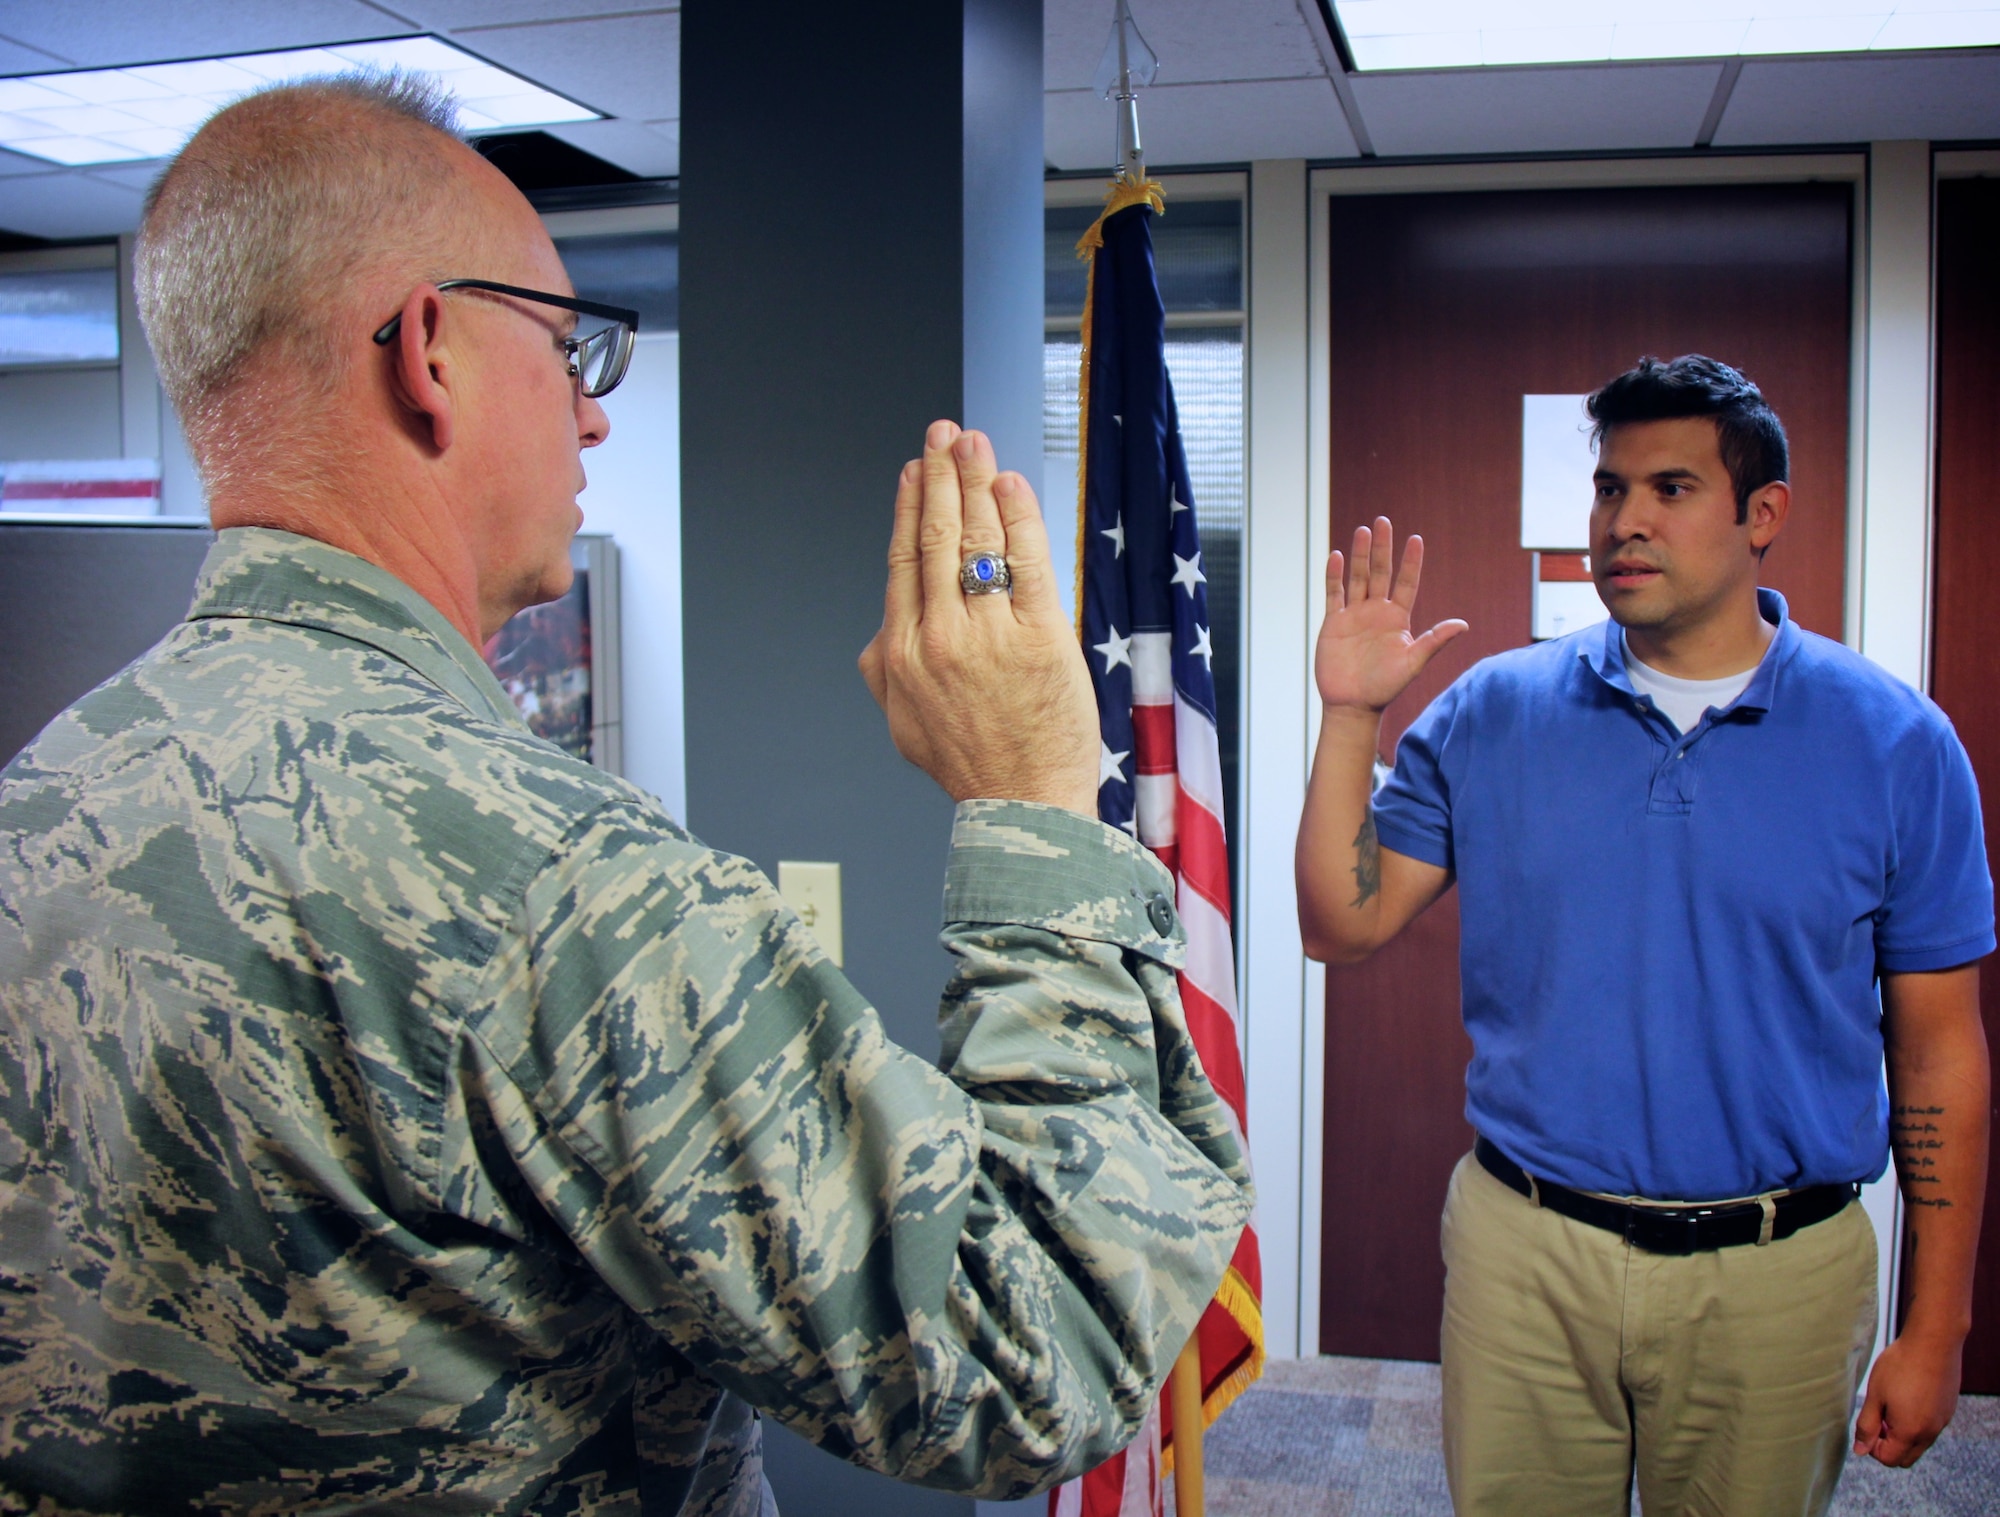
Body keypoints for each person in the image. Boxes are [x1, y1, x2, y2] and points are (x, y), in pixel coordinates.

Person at [0, 74, 1252, 1514]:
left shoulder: (43, 799)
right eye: (566, 346)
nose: (595, 422)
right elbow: (1032, 1352)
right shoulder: (553, 884)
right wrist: (1035, 793)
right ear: (428, 353)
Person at [1296, 354, 1991, 1515]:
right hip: (1528, 1251)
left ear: (1759, 513)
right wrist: (1348, 715)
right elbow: (1338, 923)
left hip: (1777, 1270)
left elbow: (1936, 1054)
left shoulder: (1893, 744)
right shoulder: (1493, 710)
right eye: (1608, 488)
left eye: (1668, 487)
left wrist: (1937, 1325)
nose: (1623, 520)